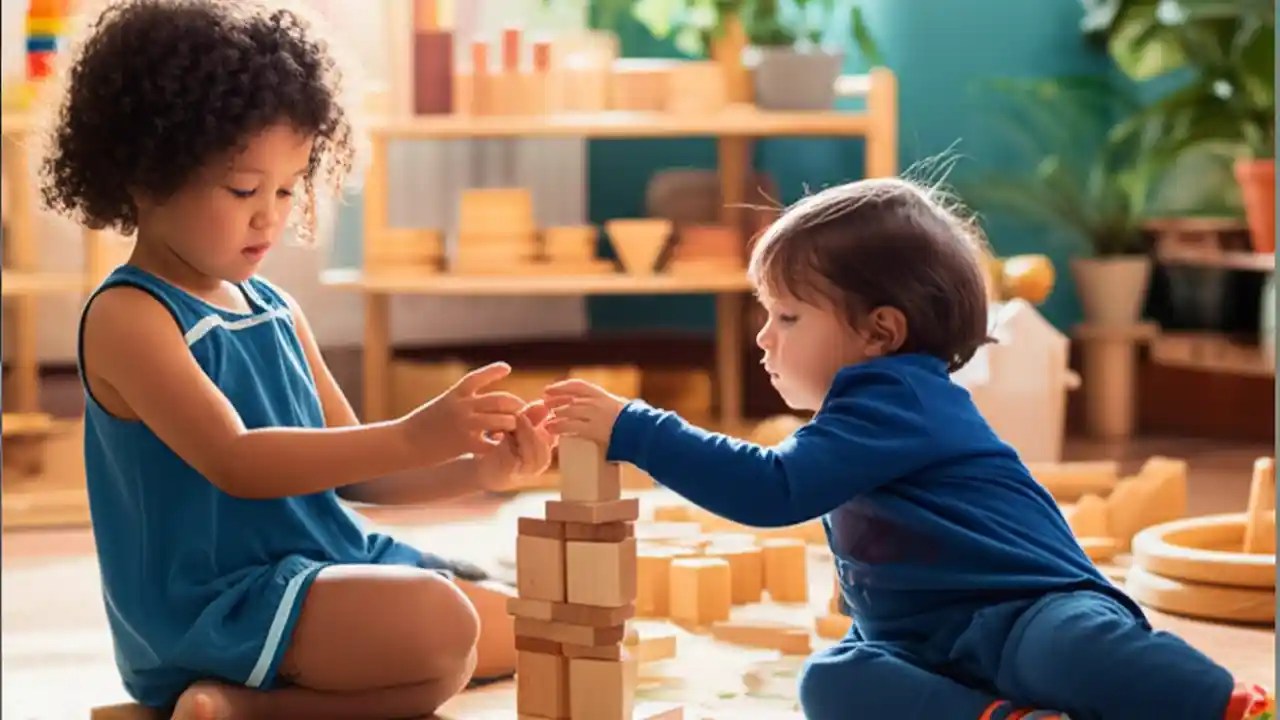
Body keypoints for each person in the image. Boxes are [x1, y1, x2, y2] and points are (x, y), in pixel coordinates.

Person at [542, 177, 1274, 720]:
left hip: (1027, 609)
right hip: (924, 641)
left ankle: (1227, 703)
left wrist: (637, 429)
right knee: (831, 680)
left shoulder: (897, 395)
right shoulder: (857, 411)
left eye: (787, 317)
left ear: (880, 334)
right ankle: (1002, 716)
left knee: (1068, 648)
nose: (763, 338)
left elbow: (771, 491)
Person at [40, 1, 553, 717]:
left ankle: (242, 702)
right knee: (443, 630)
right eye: (244, 189)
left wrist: (481, 472)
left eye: (288, 188)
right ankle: (241, 706)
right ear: (146, 175)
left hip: (319, 576)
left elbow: (358, 471)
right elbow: (238, 460)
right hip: (218, 606)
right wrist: (416, 431)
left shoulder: (275, 309)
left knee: (534, 627)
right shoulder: (131, 316)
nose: (270, 215)